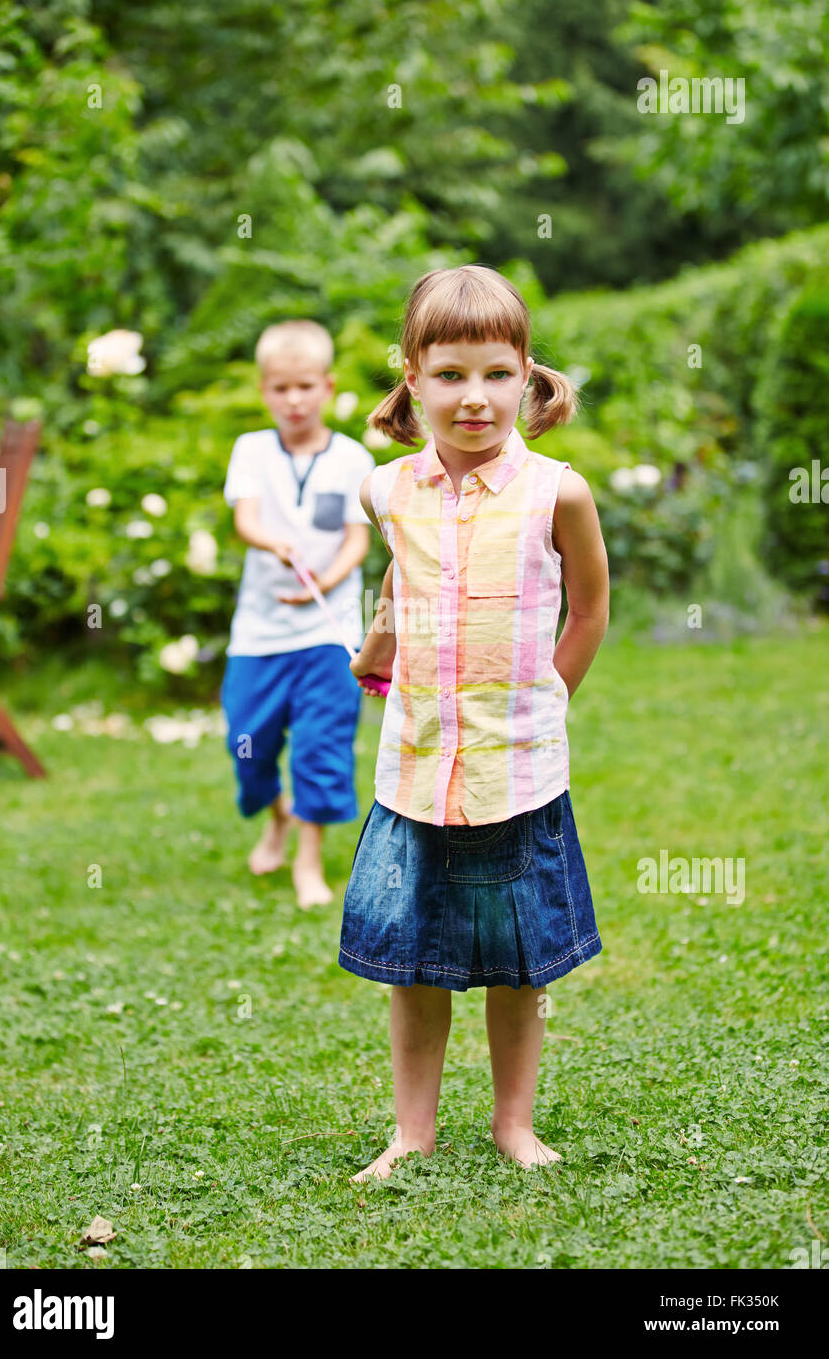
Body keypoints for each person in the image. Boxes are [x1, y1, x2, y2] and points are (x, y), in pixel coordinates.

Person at [339, 265, 610, 1180]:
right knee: (414, 965)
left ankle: (512, 1123)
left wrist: (549, 699)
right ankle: (413, 1132)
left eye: (497, 374)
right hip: (415, 771)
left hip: (518, 774)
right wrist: (377, 647)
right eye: (450, 375)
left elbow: (590, 611)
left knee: (518, 962)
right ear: (412, 379)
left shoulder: (557, 491)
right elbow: (395, 582)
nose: (475, 398)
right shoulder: (387, 491)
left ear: (527, 375)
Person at [220, 319, 375, 909]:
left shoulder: (352, 457)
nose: (293, 400)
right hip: (258, 634)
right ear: (264, 391)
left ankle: (308, 860)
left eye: (305, 386)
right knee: (247, 743)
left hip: (327, 634)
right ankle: (277, 817)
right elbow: (247, 519)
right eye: (280, 388)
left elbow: (357, 543)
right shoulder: (251, 450)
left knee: (321, 745)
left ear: (328, 386)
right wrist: (273, 545)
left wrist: (324, 583)